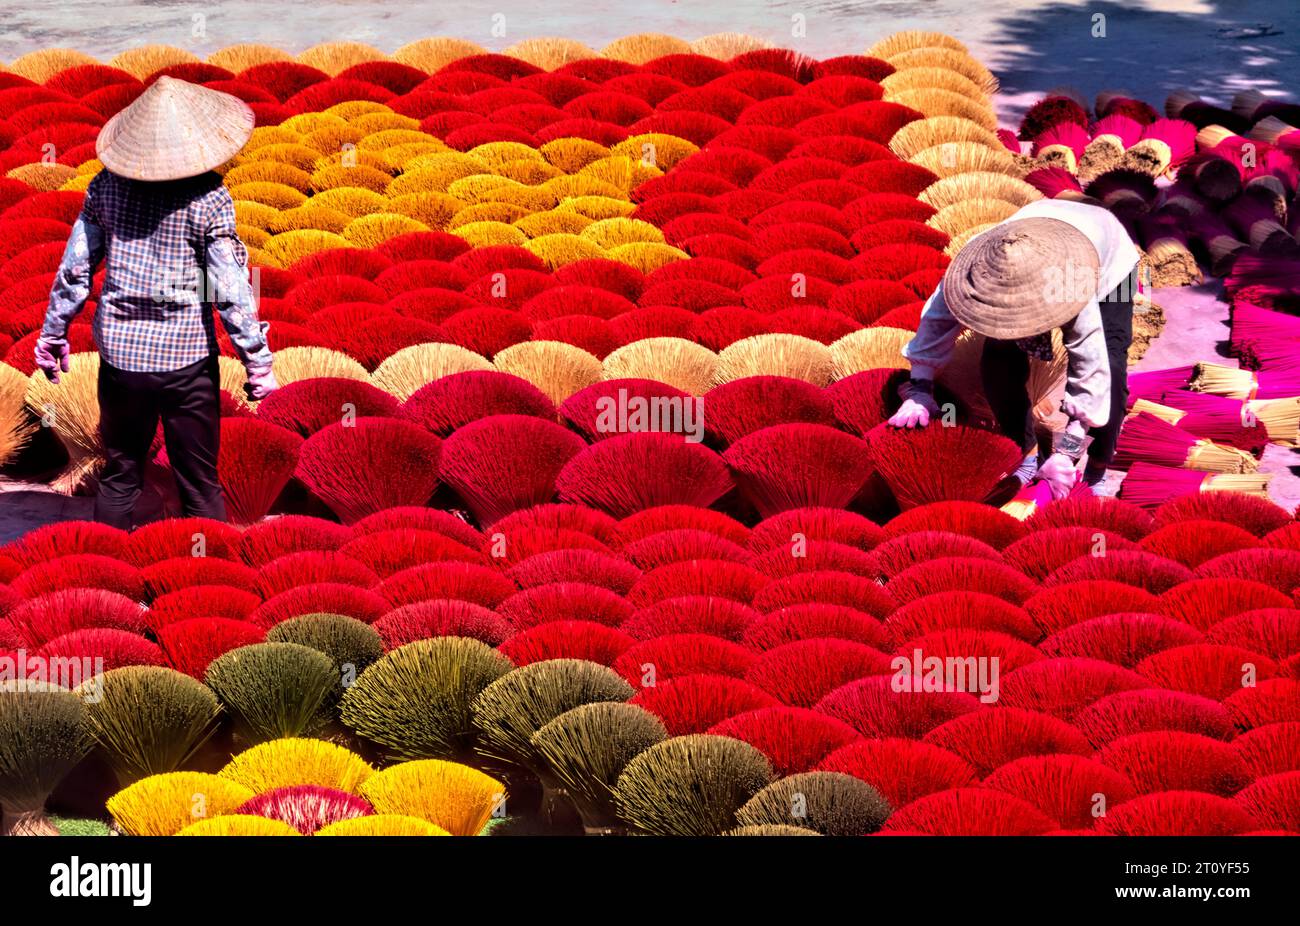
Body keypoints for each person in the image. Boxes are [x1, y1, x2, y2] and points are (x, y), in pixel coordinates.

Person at [34, 77, 277, 529]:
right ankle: (209, 578)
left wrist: (53, 334)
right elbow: (230, 288)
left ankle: (106, 582)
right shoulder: (209, 197)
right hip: (186, 363)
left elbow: (75, 268)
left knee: (121, 476)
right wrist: (257, 363)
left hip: (123, 361)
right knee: (200, 481)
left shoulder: (105, 186)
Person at [888, 198, 1141, 498]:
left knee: (1112, 365)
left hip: (1115, 262)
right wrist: (919, 390)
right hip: (1041, 236)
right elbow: (936, 322)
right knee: (998, 359)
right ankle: (1027, 454)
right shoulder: (971, 268)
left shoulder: (1072, 283)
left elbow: (1090, 366)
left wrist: (1067, 451)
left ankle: (1098, 468)